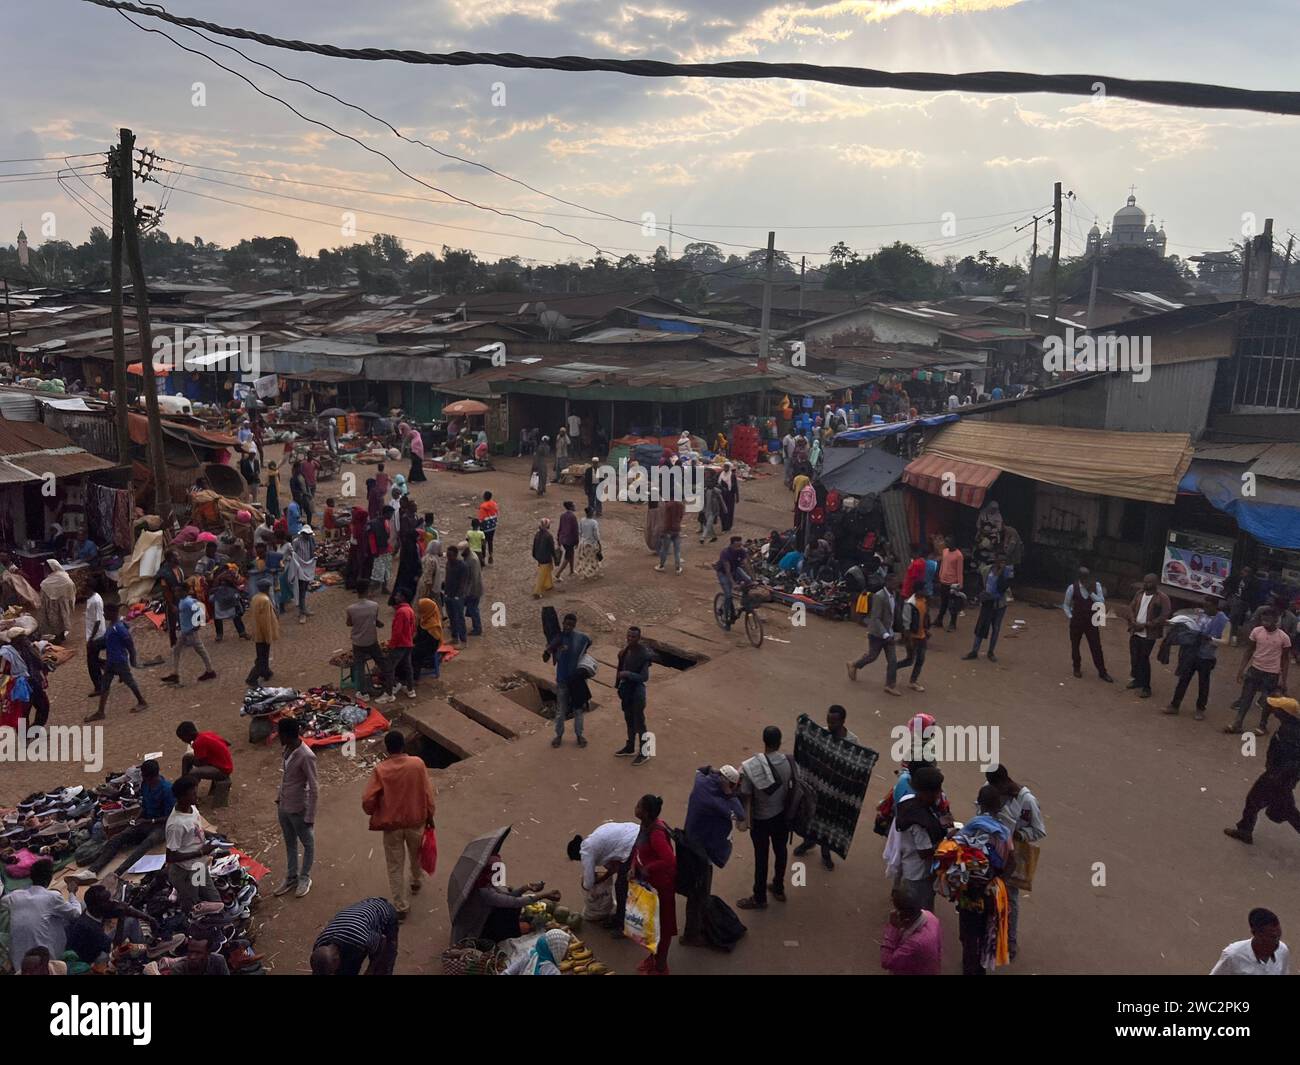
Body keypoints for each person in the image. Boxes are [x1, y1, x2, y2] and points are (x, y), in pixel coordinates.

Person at [362, 731, 436, 918]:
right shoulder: (417, 764)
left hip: (392, 825)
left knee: (395, 865)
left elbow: (368, 799)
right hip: (415, 820)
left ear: (387, 748)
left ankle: (400, 906)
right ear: (404, 745)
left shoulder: (381, 769)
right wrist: (430, 814)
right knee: (416, 855)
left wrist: (374, 811)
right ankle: (416, 881)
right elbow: (428, 793)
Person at [984, 764, 1046, 961]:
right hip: (991, 851)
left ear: (1005, 782)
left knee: (1010, 899)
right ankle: (991, 936)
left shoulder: (1027, 801)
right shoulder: (991, 788)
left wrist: (1017, 834)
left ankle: (1010, 940)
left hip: (1013, 855)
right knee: (988, 894)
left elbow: (1039, 830)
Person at [681, 765, 746, 945]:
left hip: (690, 840)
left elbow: (702, 769)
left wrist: (717, 773)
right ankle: (691, 935)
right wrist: (730, 794)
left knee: (697, 889)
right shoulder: (717, 803)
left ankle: (696, 926)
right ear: (728, 784)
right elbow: (740, 814)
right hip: (701, 851)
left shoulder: (701, 782)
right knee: (699, 891)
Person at [1224, 695, 1300, 844]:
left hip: (1277, 776)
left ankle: (1245, 831)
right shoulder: (1290, 727)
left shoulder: (1289, 733)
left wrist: (1276, 775)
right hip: (1281, 777)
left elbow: (1293, 760)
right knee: (1287, 809)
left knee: (1254, 800)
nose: (1273, 709)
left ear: (1284, 713)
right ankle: (1245, 829)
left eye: (1277, 708)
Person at [794, 705, 860, 869]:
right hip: (817, 786)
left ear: (843, 721)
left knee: (828, 821)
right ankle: (808, 842)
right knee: (811, 815)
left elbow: (856, 766)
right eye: (828, 721)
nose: (830, 725)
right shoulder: (821, 734)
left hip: (836, 790)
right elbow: (806, 748)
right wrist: (802, 727)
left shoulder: (852, 742)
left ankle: (825, 852)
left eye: (834, 722)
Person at [737, 725, 793, 911]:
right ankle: (778, 886)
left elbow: (744, 792)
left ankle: (759, 897)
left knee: (761, 857)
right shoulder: (789, 763)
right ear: (780, 741)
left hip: (761, 819)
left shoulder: (751, 767)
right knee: (781, 850)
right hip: (782, 816)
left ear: (764, 741)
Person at [88, 758, 174, 875]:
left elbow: (170, 816)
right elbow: (144, 806)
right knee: (119, 837)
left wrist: (149, 821)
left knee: (147, 842)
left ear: (149, 776)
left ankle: (118, 872)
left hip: (161, 826)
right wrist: (136, 818)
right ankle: (93, 870)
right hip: (145, 821)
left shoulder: (167, 790)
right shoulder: (145, 785)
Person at [630, 794, 678, 975]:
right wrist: (634, 865)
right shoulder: (645, 826)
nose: (635, 808)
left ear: (647, 812)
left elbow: (669, 860)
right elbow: (638, 847)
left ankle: (660, 966)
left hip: (662, 888)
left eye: (639, 806)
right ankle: (653, 957)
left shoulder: (656, 833)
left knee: (663, 928)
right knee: (650, 926)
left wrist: (647, 868)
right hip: (649, 886)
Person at [1, 859, 82, 964]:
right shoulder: (52, 897)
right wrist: (72, 893)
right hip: (46, 961)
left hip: (18, 961)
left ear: (31, 877)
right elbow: (76, 913)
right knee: (77, 909)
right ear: (49, 878)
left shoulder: (14, 896)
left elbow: (3, 902)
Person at [567, 821, 639, 936]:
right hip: (635, 834)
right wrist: (604, 877)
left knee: (621, 887)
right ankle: (623, 916)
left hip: (632, 844)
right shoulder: (594, 840)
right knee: (625, 884)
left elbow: (588, 883)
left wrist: (585, 884)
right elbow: (614, 867)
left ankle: (622, 925)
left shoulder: (586, 852)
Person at [1227, 608, 1291, 735]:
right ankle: (1238, 723)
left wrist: (1283, 680)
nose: (1265, 622)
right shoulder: (1257, 632)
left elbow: (1285, 660)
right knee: (1246, 698)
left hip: (1271, 673)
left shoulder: (1283, 637)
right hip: (1255, 669)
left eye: (1268, 620)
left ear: (1275, 620)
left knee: (1267, 701)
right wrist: (1241, 669)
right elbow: (1249, 651)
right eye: (1263, 619)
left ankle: (1262, 725)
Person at [891, 765, 946, 912]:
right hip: (918, 872)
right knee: (921, 907)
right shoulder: (919, 824)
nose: (939, 793)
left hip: (907, 862)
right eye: (937, 790)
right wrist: (945, 842)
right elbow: (925, 852)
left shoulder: (908, 800)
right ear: (926, 793)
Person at [1166, 595, 1231, 719]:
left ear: (1215, 606)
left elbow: (1225, 641)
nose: (1204, 608)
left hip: (1206, 656)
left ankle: (1200, 709)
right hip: (1192, 652)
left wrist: (1211, 639)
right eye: (1204, 605)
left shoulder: (1224, 621)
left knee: (1203, 684)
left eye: (1208, 606)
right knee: (1183, 680)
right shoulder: (1201, 614)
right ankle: (1174, 705)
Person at [274, 717, 318, 899]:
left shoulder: (306, 755)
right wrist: (279, 798)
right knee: (290, 843)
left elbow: (314, 786)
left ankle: (304, 877)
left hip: (299, 807)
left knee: (307, 844)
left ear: (287, 735)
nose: (278, 738)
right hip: (284, 805)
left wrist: (310, 815)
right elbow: (286, 778)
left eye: (280, 735)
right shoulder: (287, 750)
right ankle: (291, 876)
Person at [165, 776, 221, 911]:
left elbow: (196, 830)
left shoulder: (192, 808)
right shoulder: (176, 825)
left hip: (198, 866)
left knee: (215, 901)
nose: (197, 796)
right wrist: (201, 852)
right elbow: (170, 857)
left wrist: (212, 835)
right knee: (193, 905)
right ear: (182, 797)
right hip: (185, 872)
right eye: (193, 794)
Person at [85, 601, 146, 721]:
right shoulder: (113, 626)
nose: (103, 614)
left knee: (130, 682)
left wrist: (133, 660)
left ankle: (142, 701)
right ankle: (100, 711)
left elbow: (130, 645)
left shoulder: (118, 628)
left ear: (113, 613)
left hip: (119, 661)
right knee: (105, 685)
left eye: (105, 612)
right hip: (111, 661)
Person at [311, 898, 400, 975]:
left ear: (336, 959)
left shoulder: (360, 940)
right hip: (356, 921)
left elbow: (382, 941)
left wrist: (370, 970)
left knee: (383, 966)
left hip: (384, 912)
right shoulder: (319, 946)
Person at [848, 571, 902, 696]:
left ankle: (890, 685)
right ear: (887, 582)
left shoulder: (894, 595)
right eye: (894, 582)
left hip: (889, 632)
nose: (896, 585)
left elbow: (894, 614)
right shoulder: (879, 596)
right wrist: (885, 634)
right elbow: (876, 618)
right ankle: (854, 664)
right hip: (878, 633)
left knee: (892, 660)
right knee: (872, 656)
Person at [546, 612, 592, 749]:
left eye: (571, 625)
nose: (568, 627)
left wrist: (581, 655)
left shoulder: (580, 638)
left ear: (574, 625)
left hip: (576, 681)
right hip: (562, 681)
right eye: (566, 624)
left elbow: (589, 642)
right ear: (563, 623)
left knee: (578, 710)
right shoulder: (558, 639)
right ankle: (559, 735)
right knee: (561, 711)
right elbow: (548, 649)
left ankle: (579, 735)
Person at [1061, 565, 1113, 682]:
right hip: (1077, 621)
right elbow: (1066, 604)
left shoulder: (1096, 586)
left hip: (1092, 621)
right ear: (1079, 577)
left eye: (1087, 577)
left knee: (1096, 647)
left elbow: (1101, 602)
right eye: (1083, 577)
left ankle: (1102, 672)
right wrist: (1070, 616)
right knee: (1075, 645)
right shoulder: (1072, 588)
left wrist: (1090, 592)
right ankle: (1076, 668)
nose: (1086, 580)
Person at [348, 581, 395, 704]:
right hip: (372, 640)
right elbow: (375, 619)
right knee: (382, 662)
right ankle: (390, 688)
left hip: (358, 642)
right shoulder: (374, 605)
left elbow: (349, 623)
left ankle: (363, 693)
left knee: (359, 667)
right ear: (368, 591)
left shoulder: (351, 609)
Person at [161, 584, 217, 686]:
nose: (176, 593)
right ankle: (175, 674)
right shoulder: (183, 601)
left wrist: (197, 625)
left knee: (200, 651)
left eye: (178, 591)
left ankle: (210, 671)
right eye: (175, 591)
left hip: (190, 632)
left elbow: (200, 611)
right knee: (176, 650)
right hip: (185, 631)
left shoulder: (188, 602)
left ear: (185, 591)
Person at [880, 885, 942, 975]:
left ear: (906, 920)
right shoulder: (930, 917)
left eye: (896, 909)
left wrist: (892, 928)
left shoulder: (915, 943)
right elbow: (939, 949)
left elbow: (886, 962)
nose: (893, 911)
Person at [1126, 573, 1172, 699]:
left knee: (1143, 659)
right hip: (1135, 631)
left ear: (1156, 583)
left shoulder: (1162, 598)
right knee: (1134, 657)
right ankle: (1137, 680)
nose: (1146, 584)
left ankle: (1146, 687)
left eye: (1149, 582)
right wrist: (1133, 621)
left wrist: (1146, 625)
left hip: (1149, 634)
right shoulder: (1139, 594)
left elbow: (1164, 616)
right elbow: (1131, 607)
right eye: (1145, 582)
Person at [963, 556, 1015, 663]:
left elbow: (1004, 587)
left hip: (999, 605)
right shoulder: (987, 570)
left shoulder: (1006, 573)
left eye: (1004, 561)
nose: (1002, 563)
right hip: (987, 603)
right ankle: (974, 651)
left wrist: (1001, 573)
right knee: (981, 626)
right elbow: (981, 584)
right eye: (1001, 561)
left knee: (995, 629)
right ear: (996, 560)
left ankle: (990, 652)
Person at [1209, 908, 1290, 975]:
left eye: (1278, 937)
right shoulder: (1233, 955)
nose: (1276, 943)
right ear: (1255, 933)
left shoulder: (1282, 950)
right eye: (1270, 937)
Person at [615, 626, 653, 766]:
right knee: (629, 720)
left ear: (639, 638)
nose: (630, 639)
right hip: (626, 691)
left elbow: (644, 677)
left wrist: (627, 674)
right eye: (629, 636)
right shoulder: (626, 651)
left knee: (639, 723)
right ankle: (630, 746)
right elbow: (620, 668)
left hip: (637, 692)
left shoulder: (643, 654)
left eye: (633, 637)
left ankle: (644, 752)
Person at [176, 721, 233, 788]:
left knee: (193, 773)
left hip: (223, 770)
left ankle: (189, 791)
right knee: (187, 758)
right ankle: (184, 783)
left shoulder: (198, 742)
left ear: (188, 735)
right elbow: (227, 743)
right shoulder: (206, 734)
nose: (183, 740)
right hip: (224, 764)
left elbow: (200, 762)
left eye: (182, 738)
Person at [246, 578, 279, 687]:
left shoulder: (255, 598)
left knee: (262, 654)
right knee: (262, 656)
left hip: (257, 631)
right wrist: (268, 635)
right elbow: (266, 620)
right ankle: (252, 678)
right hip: (263, 632)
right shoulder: (265, 600)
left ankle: (266, 672)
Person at [897, 583, 930, 693]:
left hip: (921, 635)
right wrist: (908, 639)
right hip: (913, 636)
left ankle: (913, 681)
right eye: (923, 589)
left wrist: (926, 629)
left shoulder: (923, 601)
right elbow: (906, 624)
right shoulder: (910, 604)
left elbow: (924, 617)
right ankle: (893, 667)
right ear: (918, 591)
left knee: (920, 659)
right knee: (910, 660)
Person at [715, 535, 752, 630]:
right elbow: (727, 571)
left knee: (748, 581)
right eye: (737, 546)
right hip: (723, 573)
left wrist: (753, 579)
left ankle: (744, 600)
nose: (739, 548)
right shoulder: (725, 553)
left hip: (735, 569)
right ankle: (727, 619)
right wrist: (734, 584)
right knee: (728, 596)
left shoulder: (742, 551)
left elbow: (746, 565)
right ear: (732, 545)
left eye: (740, 546)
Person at [502, 928, 572, 976]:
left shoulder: (530, 954)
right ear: (557, 950)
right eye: (566, 948)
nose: (569, 951)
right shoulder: (552, 971)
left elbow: (508, 972)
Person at [37, 558, 76, 644]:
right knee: (62, 619)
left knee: (55, 621)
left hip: (52, 605)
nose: (45, 569)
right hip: (63, 603)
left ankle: (58, 638)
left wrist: (43, 604)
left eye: (47, 567)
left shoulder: (46, 582)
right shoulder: (65, 576)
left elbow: (43, 594)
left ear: (52, 567)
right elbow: (71, 587)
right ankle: (61, 636)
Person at [285, 525, 317, 623]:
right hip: (299, 569)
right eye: (306, 534)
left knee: (304, 589)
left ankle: (303, 609)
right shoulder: (296, 542)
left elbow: (312, 552)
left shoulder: (311, 541)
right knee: (301, 590)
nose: (308, 536)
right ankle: (301, 612)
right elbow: (293, 554)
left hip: (307, 568)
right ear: (302, 534)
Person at [388, 592, 418, 698]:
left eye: (398, 595)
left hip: (400, 644)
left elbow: (397, 631)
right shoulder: (410, 610)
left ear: (403, 597)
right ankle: (410, 689)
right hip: (408, 643)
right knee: (408, 666)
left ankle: (389, 692)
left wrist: (392, 644)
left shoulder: (401, 612)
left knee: (390, 667)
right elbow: (413, 628)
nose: (396, 596)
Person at [83, 576, 106, 696]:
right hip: (94, 635)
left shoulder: (95, 600)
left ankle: (99, 686)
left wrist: (91, 638)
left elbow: (97, 621)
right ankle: (112, 668)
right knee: (94, 660)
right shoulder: (92, 598)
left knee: (92, 663)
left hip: (96, 637)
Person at [442, 545, 469, 646]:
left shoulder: (462, 566)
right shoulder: (449, 563)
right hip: (448, 594)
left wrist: (458, 596)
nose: (448, 557)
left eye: (450, 555)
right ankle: (454, 637)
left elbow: (463, 583)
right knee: (452, 618)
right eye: (448, 555)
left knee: (459, 618)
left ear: (456, 555)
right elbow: (447, 577)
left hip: (457, 597)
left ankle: (463, 640)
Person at [654, 492, 684, 575]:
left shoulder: (668, 505)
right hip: (677, 529)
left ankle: (661, 566)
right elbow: (681, 517)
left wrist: (663, 531)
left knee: (664, 549)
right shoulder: (681, 505)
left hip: (668, 530)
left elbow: (666, 519)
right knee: (677, 550)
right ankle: (678, 568)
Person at [369, 505, 395, 595]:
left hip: (386, 550)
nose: (392, 515)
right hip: (379, 551)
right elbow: (372, 539)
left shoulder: (385, 522)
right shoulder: (374, 523)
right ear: (386, 513)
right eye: (391, 513)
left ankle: (384, 588)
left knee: (386, 571)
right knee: (378, 572)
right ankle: (371, 591)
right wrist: (374, 551)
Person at [460, 540, 484, 637]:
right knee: (471, 607)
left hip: (473, 589)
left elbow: (473, 578)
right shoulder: (471, 556)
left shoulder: (472, 560)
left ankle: (477, 628)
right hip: (471, 588)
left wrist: (467, 591)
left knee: (473, 608)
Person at [532, 517, 556, 599]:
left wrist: (535, 556)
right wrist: (555, 557)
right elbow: (552, 549)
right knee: (542, 574)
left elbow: (534, 546)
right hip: (545, 557)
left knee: (547, 569)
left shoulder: (537, 534)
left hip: (539, 556)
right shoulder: (549, 536)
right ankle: (537, 592)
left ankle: (548, 584)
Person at [575, 506, 602, 580]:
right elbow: (596, 534)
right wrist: (599, 543)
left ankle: (584, 574)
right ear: (590, 513)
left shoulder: (582, 520)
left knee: (584, 559)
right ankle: (592, 574)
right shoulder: (594, 522)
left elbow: (580, 532)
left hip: (583, 543)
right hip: (591, 544)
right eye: (592, 511)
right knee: (592, 559)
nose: (593, 512)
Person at [556, 501, 580, 579]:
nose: (575, 506)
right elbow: (575, 530)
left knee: (571, 554)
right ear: (571, 507)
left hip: (563, 539)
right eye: (574, 505)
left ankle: (572, 570)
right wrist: (577, 541)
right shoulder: (573, 517)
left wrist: (558, 539)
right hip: (570, 540)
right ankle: (558, 574)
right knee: (568, 556)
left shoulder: (562, 515)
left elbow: (560, 527)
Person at [718, 462, 740, 532]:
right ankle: (723, 526)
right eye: (724, 467)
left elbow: (735, 487)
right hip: (722, 496)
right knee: (722, 512)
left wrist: (737, 496)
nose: (725, 468)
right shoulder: (720, 474)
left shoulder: (732, 476)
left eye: (727, 467)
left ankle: (728, 527)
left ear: (729, 468)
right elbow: (717, 484)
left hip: (730, 496)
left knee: (729, 511)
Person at [478, 491, 498, 565]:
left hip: (485, 527)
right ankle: (491, 554)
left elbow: (481, 518)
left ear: (484, 497)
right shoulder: (494, 504)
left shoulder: (483, 506)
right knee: (490, 541)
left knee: (483, 542)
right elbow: (496, 513)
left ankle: (483, 558)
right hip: (492, 526)